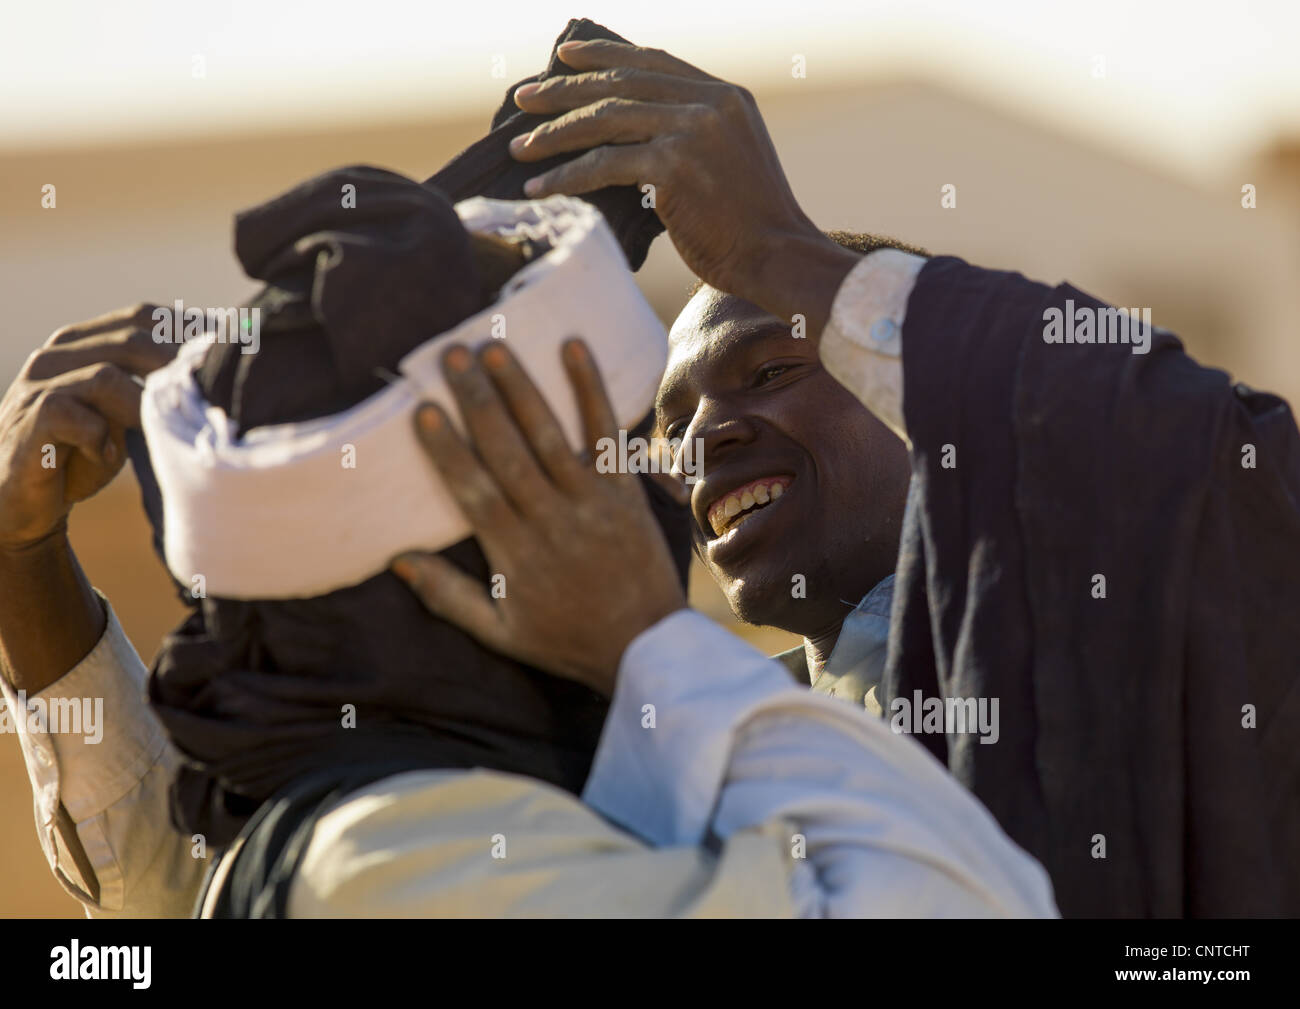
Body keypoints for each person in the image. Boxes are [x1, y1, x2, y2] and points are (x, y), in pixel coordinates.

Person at [0, 167, 1056, 918]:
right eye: (643, 428)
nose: (685, 451)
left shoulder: (1117, 673)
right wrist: (648, 641)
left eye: (773, 371)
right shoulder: (441, 833)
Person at [434, 36, 1299, 917]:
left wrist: (779, 249)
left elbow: (1204, 455)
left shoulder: (1120, 638)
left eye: (770, 373)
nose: (703, 439)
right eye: (670, 425)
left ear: (913, 406)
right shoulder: (690, 752)